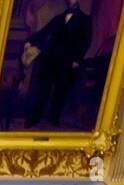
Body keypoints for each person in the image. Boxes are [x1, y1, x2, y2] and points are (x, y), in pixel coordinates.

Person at [22, 0, 93, 128]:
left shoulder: (85, 20)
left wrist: (77, 59)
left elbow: (86, 41)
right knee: (43, 89)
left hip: (68, 61)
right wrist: (30, 41)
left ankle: (53, 118)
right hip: (52, 58)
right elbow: (44, 32)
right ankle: (35, 117)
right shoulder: (59, 18)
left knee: (60, 91)